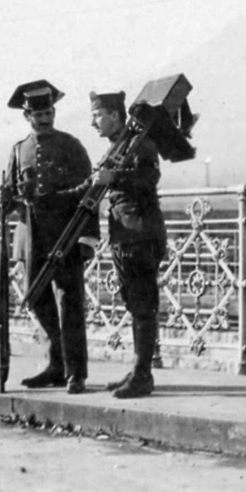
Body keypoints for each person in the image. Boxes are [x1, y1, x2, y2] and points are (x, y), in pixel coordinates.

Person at [1, 80, 97, 394]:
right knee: (36, 300)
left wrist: (87, 239)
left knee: (70, 303)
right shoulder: (19, 150)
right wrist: (5, 201)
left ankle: (75, 372)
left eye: (48, 113)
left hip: (65, 235)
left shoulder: (71, 146)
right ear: (26, 116)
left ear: (54, 112)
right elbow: (12, 195)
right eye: (37, 115)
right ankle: (56, 365)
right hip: (32, 239)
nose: (44, 119)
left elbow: (91, 193)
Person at [86, 90, 166, 399]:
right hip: (124, 236)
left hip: (141, 235)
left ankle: (143, 376)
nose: (93, 122)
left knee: (144, 306)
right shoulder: (115, 148)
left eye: (97, 115)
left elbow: (149, 177)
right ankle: (138, 369)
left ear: (116, 116)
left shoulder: (139, 143)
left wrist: (113, 175)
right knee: (135, 305)